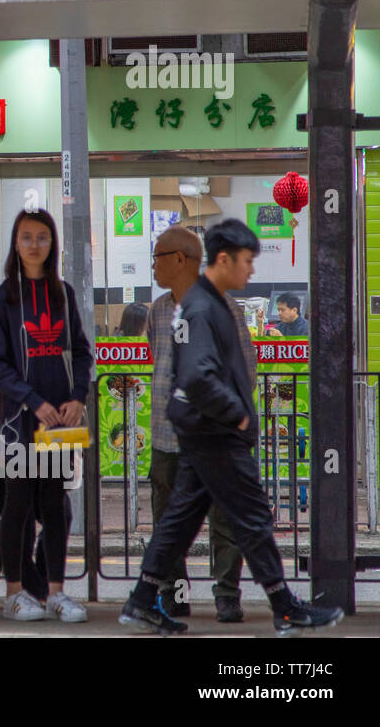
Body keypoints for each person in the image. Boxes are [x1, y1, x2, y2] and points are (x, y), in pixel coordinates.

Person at [120, 219, 344, 636]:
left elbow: (238, 365)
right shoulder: (203, 307)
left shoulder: (211, 306)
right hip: (212, 431)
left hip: (200, 431)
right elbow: (199, 376)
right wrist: (237, 413)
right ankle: (284, 606)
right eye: (246, 261)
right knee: (250, 516)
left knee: (184, 521)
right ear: (222, 259)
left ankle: (142, 601)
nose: (251, 270)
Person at [0, 209, 93, 622]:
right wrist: (32, 400)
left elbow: (81, 351)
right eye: (27, 237)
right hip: (19, 421)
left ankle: (55, 594)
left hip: (61, 423)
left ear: (53, 244)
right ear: (16, 243)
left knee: (52, 503)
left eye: (42, 237)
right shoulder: (3, 297)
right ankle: (14, 593)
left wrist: (79, 397)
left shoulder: (63, 293)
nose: (34, 244)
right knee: (16, 504)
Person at [147, 225, 248, 623]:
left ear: (179, 260)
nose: (153, 266)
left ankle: (227, 595)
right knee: (168, 522)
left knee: (224, 517)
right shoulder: (157, 310)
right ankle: (174, 596)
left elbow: (244, 374)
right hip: (165, 435)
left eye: (157, 256)